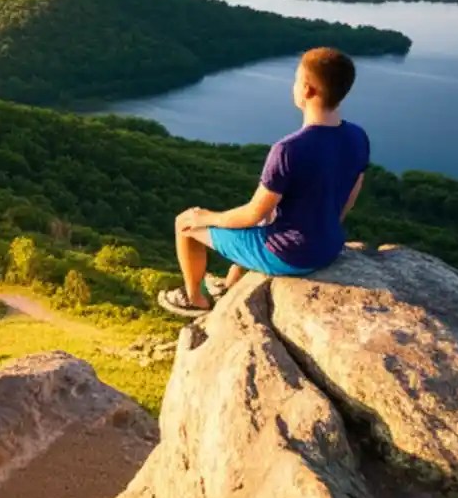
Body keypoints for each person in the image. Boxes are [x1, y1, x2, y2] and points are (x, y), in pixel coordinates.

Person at [158, 47, 370, 317]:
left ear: (306, 90)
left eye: (296, 80)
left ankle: (194, 300)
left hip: (290, 256)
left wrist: (206, 217)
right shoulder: (357, 136)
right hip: (329, 245)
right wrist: (324, 227)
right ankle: (229, 287)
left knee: (185, 223)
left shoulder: (288, 149)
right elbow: (353, 192)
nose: (293, 86)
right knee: (266, 217)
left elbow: (252, 213)